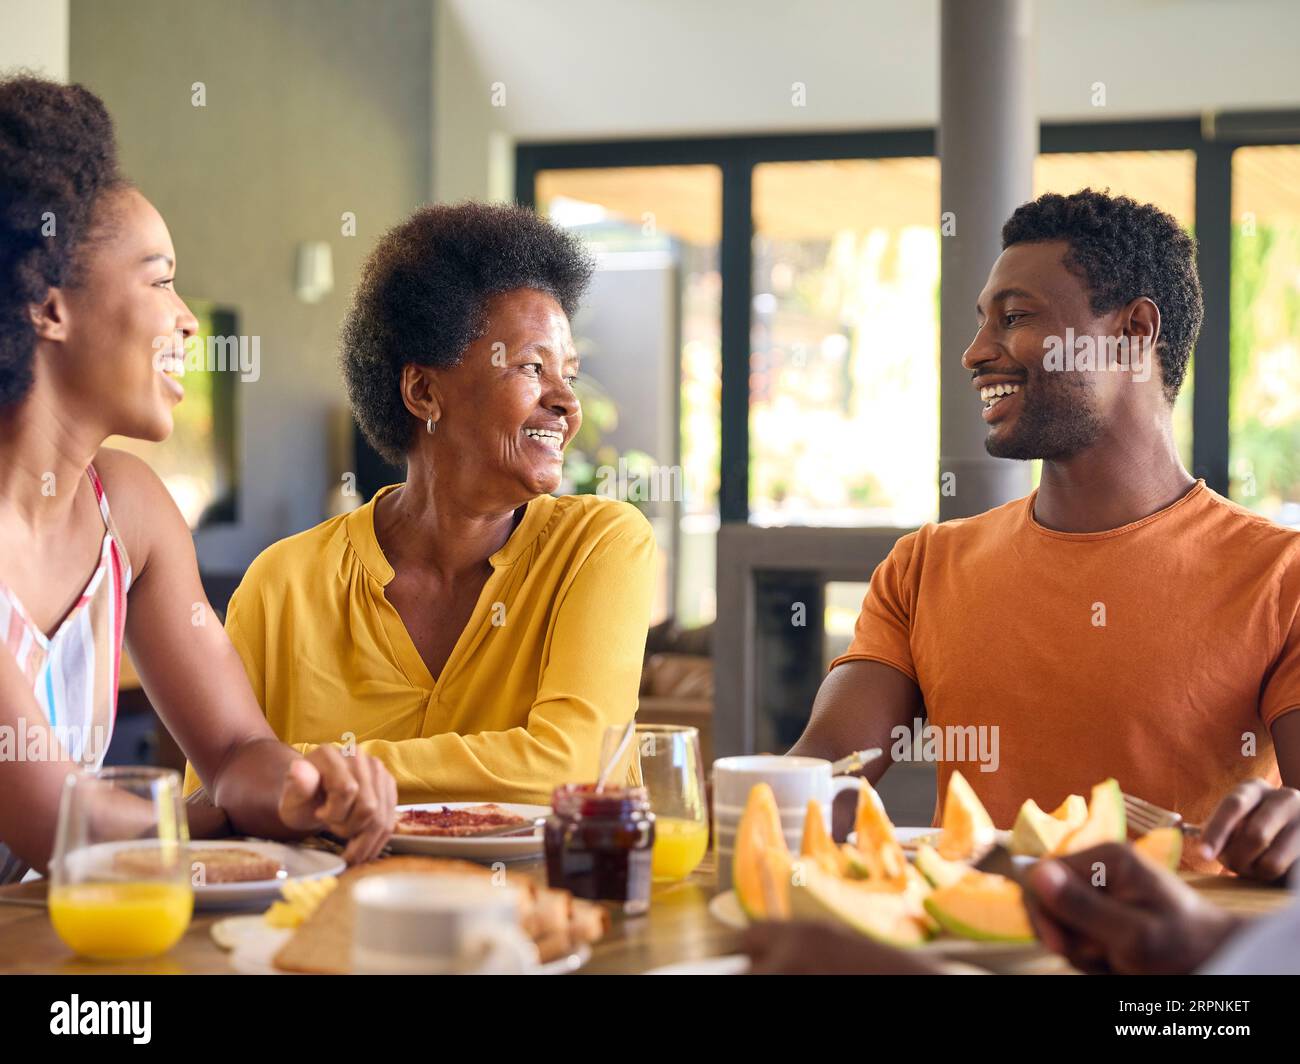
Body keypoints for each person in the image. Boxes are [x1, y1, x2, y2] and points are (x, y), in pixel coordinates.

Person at [790, 189, 1300, 883]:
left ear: (1135, 330)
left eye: (1016, 317)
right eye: (982, 323)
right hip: (969, 947)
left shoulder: (1280, 576)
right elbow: (826, 775)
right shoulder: (923, 566)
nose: (975, 353)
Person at [0, 76, 395, 882]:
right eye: (159, 279)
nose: (186, 318)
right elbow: (56, 817)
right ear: (47, 307)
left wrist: (302, 792)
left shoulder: (132, 514)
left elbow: (235, 748)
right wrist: (206, 819)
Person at [182, 202, 657, 806]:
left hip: (537, 899)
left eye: (570, 373)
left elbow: (576, 765)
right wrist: (256, 777)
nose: (566, 401)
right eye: (532, 367)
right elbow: (212, 810)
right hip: (333, 902)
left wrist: (301, 771)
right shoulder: (283, 584)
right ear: (424, 391)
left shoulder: (599, 544)